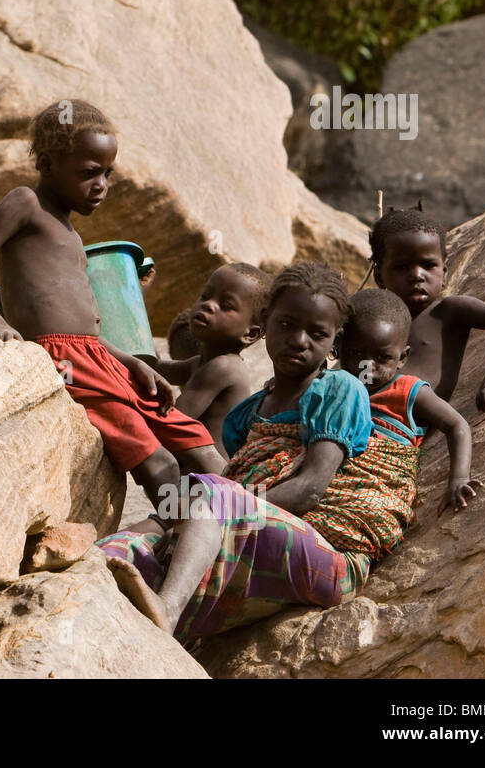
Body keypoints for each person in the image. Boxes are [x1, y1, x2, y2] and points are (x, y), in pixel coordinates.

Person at [0, 99, 225, 516]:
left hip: (99, 358)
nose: (101, 185)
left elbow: (87, 328)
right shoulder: (25, 204)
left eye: (108, 174)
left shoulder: (73, 236)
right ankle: (183, 540)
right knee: (159, 462)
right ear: (46, 163)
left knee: (196, 440)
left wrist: (133, 362)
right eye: (88, 173)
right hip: (64, 362)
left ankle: (246, 526)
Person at [100, 262, 375, 638]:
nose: (299, 340)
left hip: (323, 555)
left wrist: (224, 503)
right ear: (265, 322)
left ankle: (167, 610)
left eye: (317, 333)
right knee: (114, 554)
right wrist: (154, 526)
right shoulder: (248, 412)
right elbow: (232, 486)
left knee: (213, 493)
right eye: (286, 325)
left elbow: (310, 487)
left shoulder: (339, 388)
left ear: (335, 341)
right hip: (251, 535)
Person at [370, 206, 485, 410]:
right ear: (379, 277)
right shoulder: (371, 316)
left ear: (445, 273)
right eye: (402, 267)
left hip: (405, 425)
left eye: (428, 265)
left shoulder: (449, 311)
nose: (417, 275)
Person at [339, 288, 481, 522]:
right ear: (339, 349)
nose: (367, 366)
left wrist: (458, 479)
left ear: (402, 358)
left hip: (377, 489)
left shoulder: (407, 391)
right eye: (355, 353)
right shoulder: (335, 389)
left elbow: (457, 426)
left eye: (383, 358)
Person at [151, 263, 269, 449]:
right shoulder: (202, 362)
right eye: (205, 296)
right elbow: (152, 367)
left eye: (226, 305)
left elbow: (172, 420)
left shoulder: (223, 367)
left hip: (208, 476)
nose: (208, 304)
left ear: (250, 334)